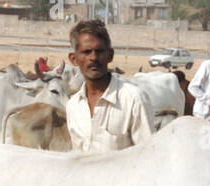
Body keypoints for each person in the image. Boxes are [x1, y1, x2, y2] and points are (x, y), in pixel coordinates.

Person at [64, 19, 154, 152]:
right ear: (73, 59)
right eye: (86, 52)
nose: (93, 58)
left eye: (99, 51)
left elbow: (149, 154)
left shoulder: (133, 99)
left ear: (110, 55)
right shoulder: (73, 106)